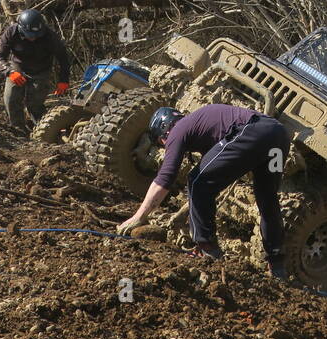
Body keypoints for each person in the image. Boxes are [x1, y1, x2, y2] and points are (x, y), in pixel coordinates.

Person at [117, 103, 293, 278]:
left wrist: (139, 217)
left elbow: (165, 178)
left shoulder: (178, 131)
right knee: (267, 199)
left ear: (165, 130)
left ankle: (207, 248)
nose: (166, 145)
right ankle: (277, 264)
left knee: (197, 181)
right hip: (277, 137)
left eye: (162, 142)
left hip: (253, 132)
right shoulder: (201, 124)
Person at [0, 9, 71, 132]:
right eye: (30, 35)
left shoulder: (50, 36)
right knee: (11, 99)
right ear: (21, 28)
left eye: (37, 35)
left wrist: (64, 80)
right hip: (17, 67)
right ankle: (18, 129)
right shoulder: (11, 32)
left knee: (35, 104)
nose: (33, 38)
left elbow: (63, 58)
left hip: (41, 70)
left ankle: (43, 131)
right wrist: (9, 71)